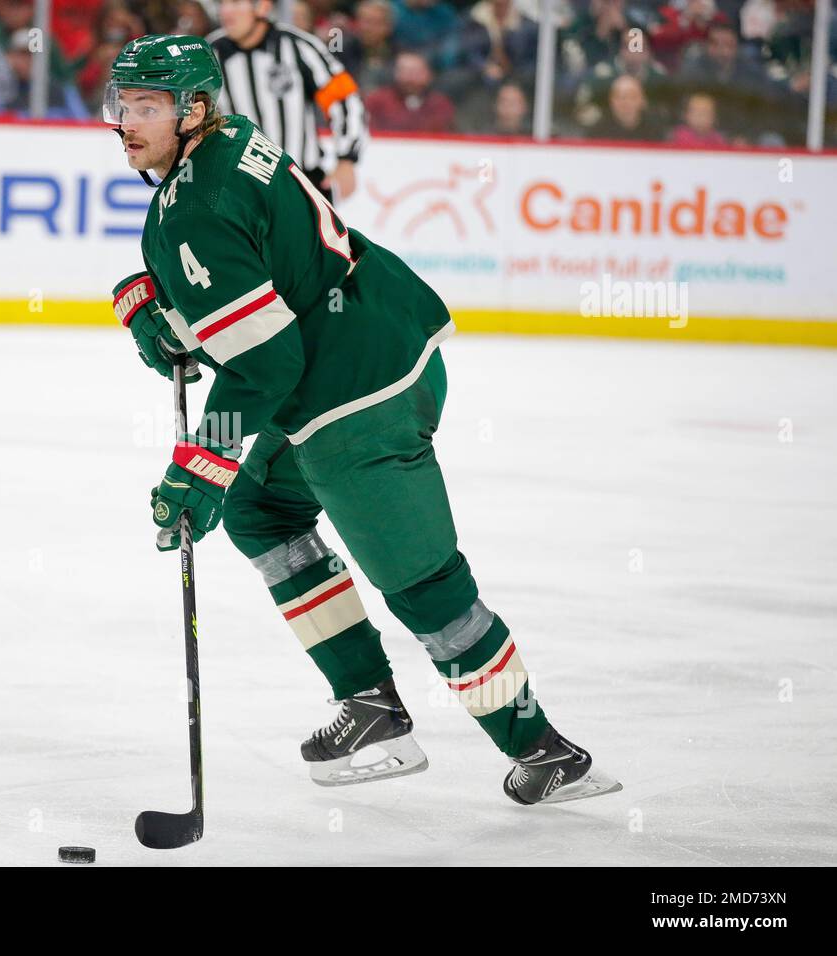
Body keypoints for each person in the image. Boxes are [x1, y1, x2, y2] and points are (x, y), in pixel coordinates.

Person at [105, 34, 619, 803]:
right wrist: (169, 312)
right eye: (124, 105)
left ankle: (544, 751)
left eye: (149, 106)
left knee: (421, 582)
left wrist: (198, 463)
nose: (129, 121)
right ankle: (372, 702)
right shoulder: (231, 143)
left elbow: (264, 361)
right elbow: (264, 273)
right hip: (368, 342)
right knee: (264, 507)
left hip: (357, 394)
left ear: (196, 109)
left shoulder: (193, 210)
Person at [208, 0, 366, 201]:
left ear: (262, 7)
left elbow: (344, 99)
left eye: (236, 2)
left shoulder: (299, 47)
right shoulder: (210, 54)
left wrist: (346, 158)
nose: (225, 11)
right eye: (222, 3)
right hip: (238, 186)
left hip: (300, 180)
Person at [362, 50, 455, 132]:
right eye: (404, 71)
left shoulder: (440, 104)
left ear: (429, 74)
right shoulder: (377, 101)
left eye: (416, 72)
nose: (410, 78)